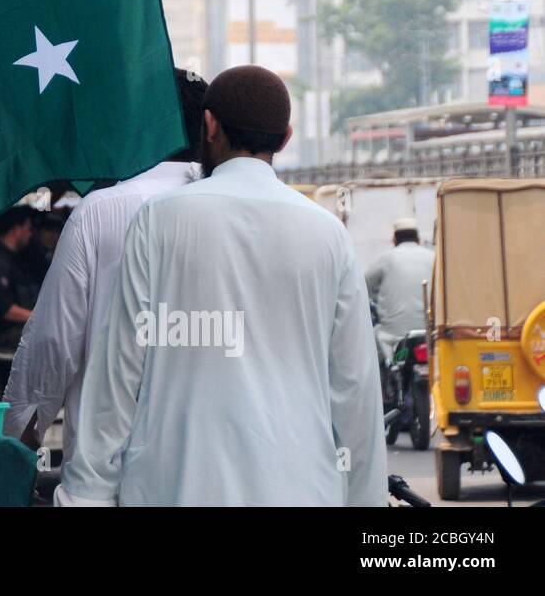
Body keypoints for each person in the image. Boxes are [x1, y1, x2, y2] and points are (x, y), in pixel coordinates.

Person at [58, 65, 386, 506]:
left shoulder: (160, 220)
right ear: (285, 138)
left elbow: (118, 374)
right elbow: (355, 392)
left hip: (174, 488)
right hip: (301, 491)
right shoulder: (328, 235)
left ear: (208, 125)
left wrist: (86, 496)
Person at [4, 68, 208, 459]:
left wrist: (18, 446)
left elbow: (52, 342)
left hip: (105, 470)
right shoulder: (238, 213)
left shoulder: (100, 211)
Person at [365, 218, 433, 363]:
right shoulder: (433, 258)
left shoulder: (386, 259)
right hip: (430, 333)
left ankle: (388, 373)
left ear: (394, 240)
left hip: (394, 336)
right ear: (418, 239)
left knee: (375, 335)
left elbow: (366, 287)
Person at [0, 207, 42, 352]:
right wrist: (39, 319)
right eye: (28, 229)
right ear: (17, 230)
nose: (30, 235)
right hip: (2, 333)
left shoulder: (15, 259)